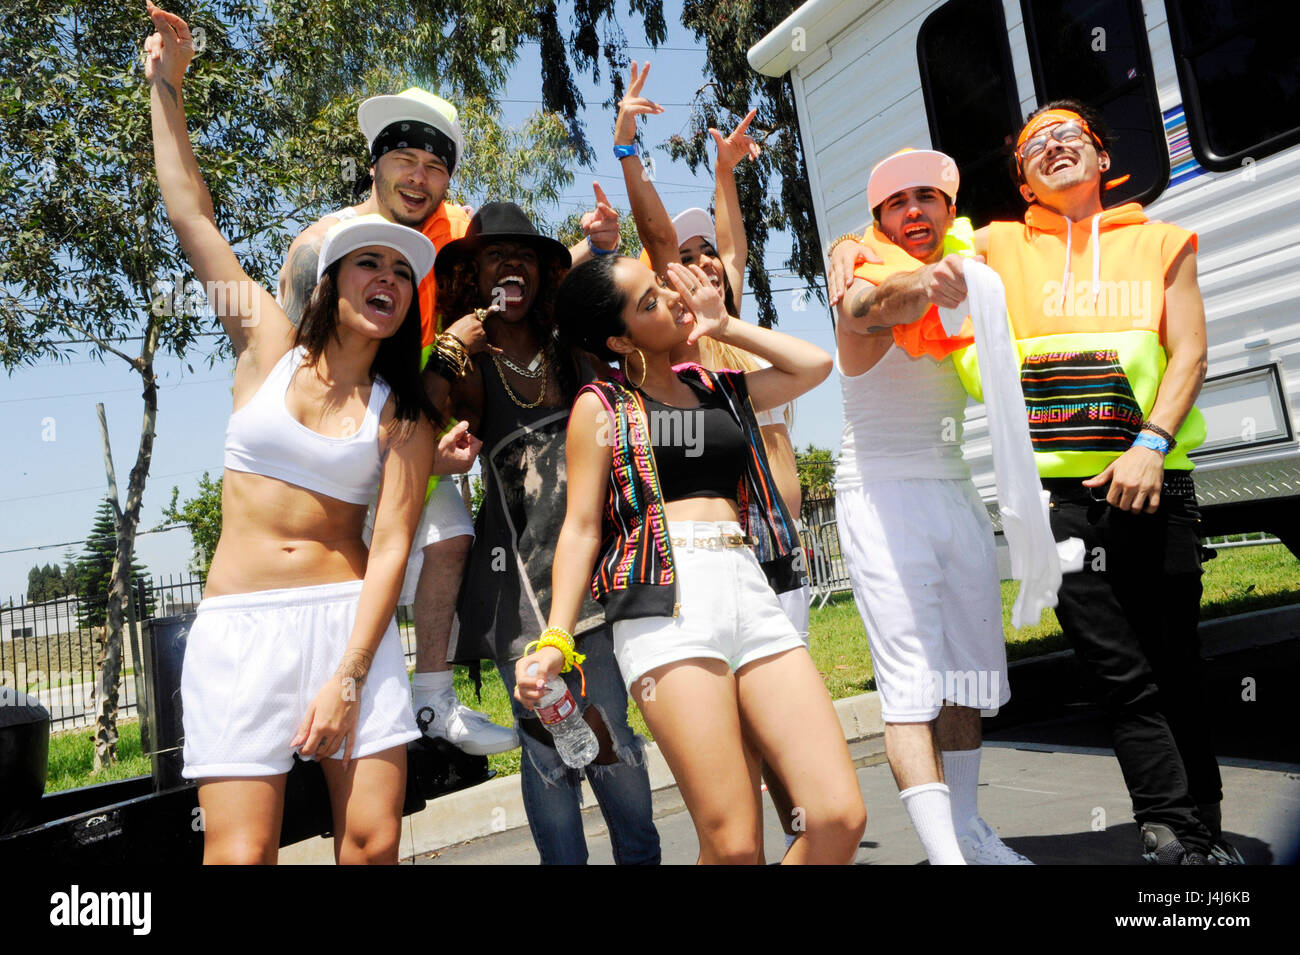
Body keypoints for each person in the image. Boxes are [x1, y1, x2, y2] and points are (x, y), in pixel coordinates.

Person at [144, 2, 475, 864]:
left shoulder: (405, 411)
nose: (388, 276)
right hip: (240, 627)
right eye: (369, 259)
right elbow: (193, 220)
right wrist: (166, 87)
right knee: (240, 855)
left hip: (348, 622)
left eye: (403, 270)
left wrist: (352, 674)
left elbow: (395, 545)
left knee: (371, 845)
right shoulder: (263, 342)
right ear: (329, 278)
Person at [275, 90, 620, 757]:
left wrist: (587, 246)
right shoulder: (323, 244)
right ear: (375, 164)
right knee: (333, 580)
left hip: (410, 437)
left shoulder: (456, 229)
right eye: (404, 158)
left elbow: (513, 276)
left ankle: (432, 699)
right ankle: (315, 700)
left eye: (434, 167)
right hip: (334, 448)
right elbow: (286, 360)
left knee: (453, 536)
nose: (418, 177)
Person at [515, 253, 866, 864]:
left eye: (661, 286)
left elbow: (814, 364)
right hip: (662, 605)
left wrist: (723, 325)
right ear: (620, 339)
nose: (670, 298)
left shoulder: (719, 389)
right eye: (649, 301)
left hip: (748, 588)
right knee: (733, 845)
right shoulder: (602, 406)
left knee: (837, 816)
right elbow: (579, 529)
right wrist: (556, 638)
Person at [974, 101, 1235, 865]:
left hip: (1157, 483)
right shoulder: (994, 248)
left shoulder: (1161, 241)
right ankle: (1171, 835)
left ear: (1100, 155)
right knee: (1120, 674)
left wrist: (1151, 443)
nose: (1054, 148)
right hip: (1060, 504)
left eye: (1069, 137)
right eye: (1035, 145)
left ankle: (1203, 830)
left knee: (1175, 665)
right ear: (1023, 178)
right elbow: (902, 237)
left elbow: (1189, 353)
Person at [614, 64, 812, 850]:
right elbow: (663, 235)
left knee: (786, 743)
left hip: (776, 547)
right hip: (710, 550)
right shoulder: (681, 349)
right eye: (682, 254)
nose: (698, 259)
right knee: (733, 754)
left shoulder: (733, 332)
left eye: (708, 254)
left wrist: (728, 172)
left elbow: (733, 242)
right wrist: (630, 146)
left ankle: (797, 832)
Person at [431, 203, 661, 865]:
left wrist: (600, 246)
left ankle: (640, 859)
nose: (511, 267)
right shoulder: (468, 359)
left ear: (541, 272)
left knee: (610, 738)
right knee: (548, 759)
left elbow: (626, 311)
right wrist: (450, 350)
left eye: (524, 255)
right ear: (473, 275)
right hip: (513, 592)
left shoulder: (571, 342)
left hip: (592, 580)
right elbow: (413, 418)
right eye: (494, 257)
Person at [829, 148, 1027, 865]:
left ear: (949, 208)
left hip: (953, 490)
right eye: (896, 203)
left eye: (927, 197)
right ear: (879, 219)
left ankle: (970, 830)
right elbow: (866, 309)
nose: (913, 211)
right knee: (910, 683)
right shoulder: (857, 264)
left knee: (968, 675)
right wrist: (929, 280)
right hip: (880, 495)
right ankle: (947, 857)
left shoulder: (975, 271)